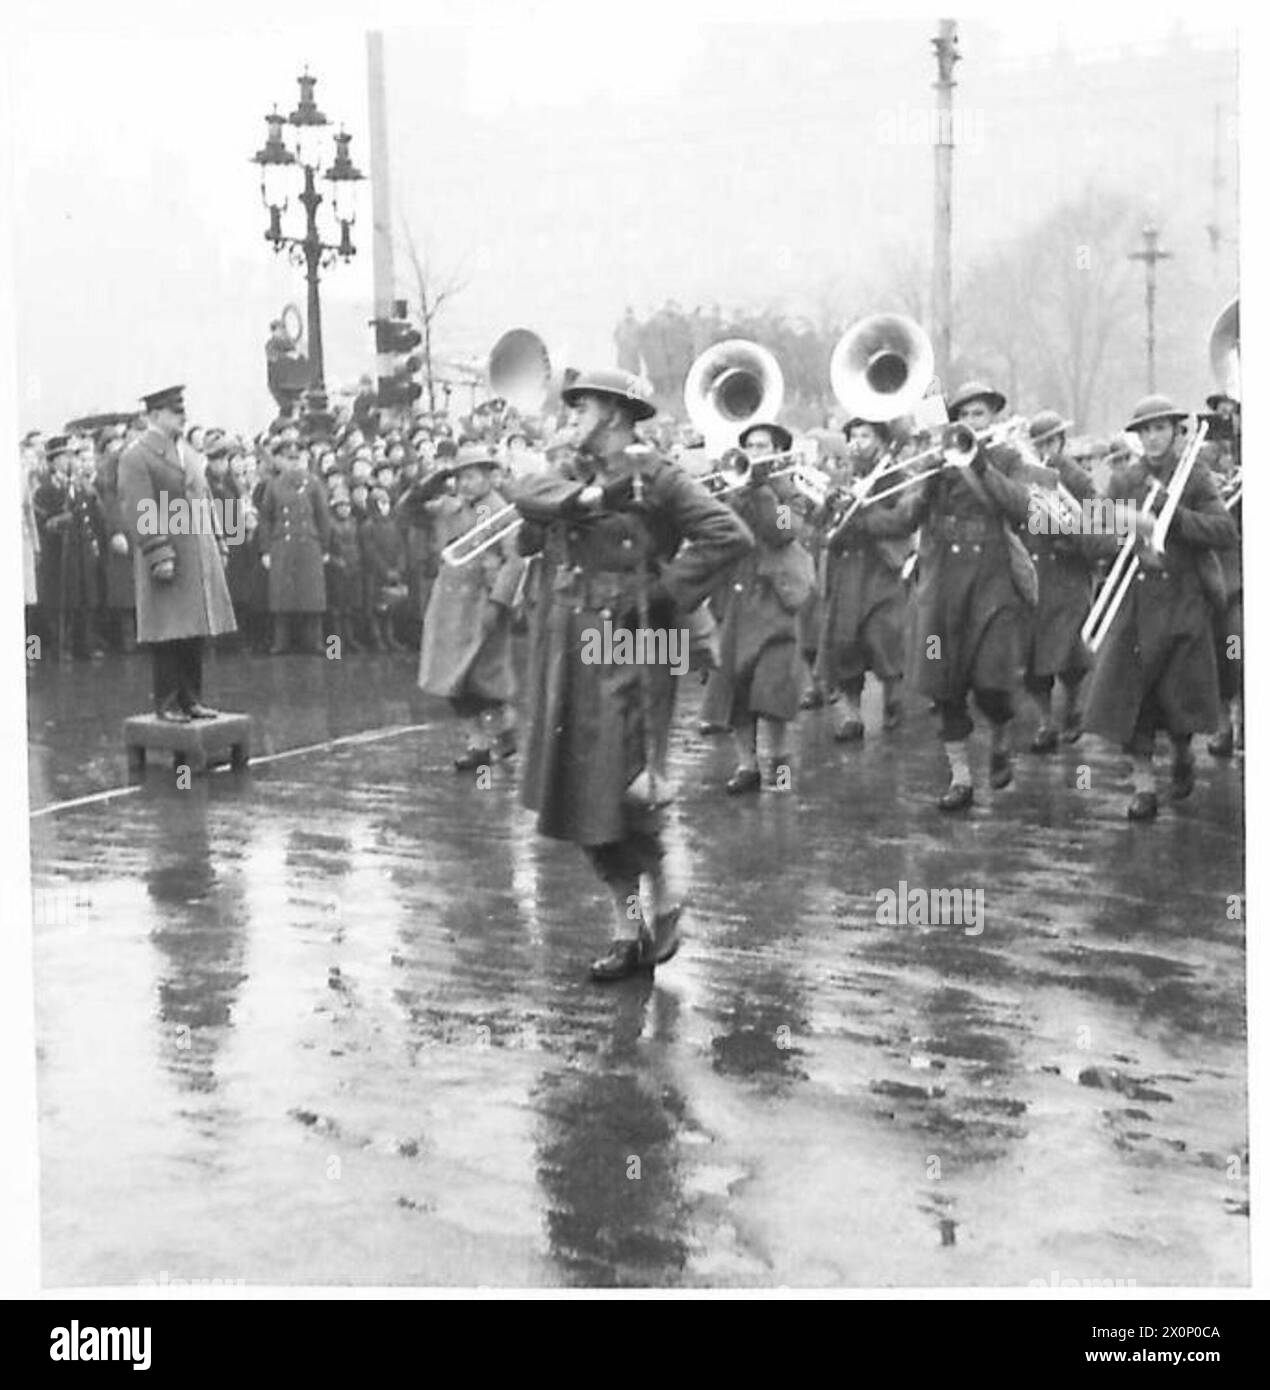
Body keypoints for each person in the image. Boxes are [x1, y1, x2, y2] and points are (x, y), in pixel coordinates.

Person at [509, 368, 752, 982]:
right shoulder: (573, 471)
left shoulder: (660, 476)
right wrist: (584, 499)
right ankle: (626, 929)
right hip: (571, 639)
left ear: (615, 412)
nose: (574, 414)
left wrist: (664, 591)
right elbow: (524, 511)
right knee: (581, 789)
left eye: (583, 405)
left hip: (637, 641)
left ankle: (668, 876)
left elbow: (730, 534)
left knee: (625, 780)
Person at [1083, 395, 1238, 820]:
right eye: (1146, 431)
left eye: (1161, 429)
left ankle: (1184, 752)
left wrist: (1172, 519)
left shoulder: (1195, 476)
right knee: (1133, 695)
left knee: (1179, 697)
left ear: (1175, 432)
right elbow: (1097, 537)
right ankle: (1144, 787)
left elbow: (1225, 531)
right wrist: (1120, 530)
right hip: (1136, 600)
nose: (1153, 438)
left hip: (1184, 599)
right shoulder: (1123, 481)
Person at [885, 381, 1033, 810]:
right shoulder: (935, 462)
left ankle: (1003, 732)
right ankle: (961, 779)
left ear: (994, 418)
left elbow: (1025, 508)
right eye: (964, 414)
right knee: (942, 686)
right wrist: (930, 475)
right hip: (940, 591)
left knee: (991, 681)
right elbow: (905, 518)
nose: (972, 421)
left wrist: (980, 465)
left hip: (991, 587)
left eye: (980, 414)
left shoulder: (1008, 457)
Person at [701, 422, 814, 793]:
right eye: (749, 445)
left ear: (778, 450)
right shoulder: (733, 489)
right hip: (736, 597)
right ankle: (747, 765)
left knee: (773, 689)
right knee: (735, 684)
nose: (754, 451)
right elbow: (716, 528)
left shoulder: (791, 495)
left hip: (774, 599)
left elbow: (782, 531)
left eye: (762, 445)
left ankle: (780, 772)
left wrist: (763, 489)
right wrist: (733, 491)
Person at [117, 385, 237, 720]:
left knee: (194, 628)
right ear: (154, 416)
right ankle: (168, 701)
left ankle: (191, 698)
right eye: (174, 411)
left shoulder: (188, 453)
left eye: (182, 410)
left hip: (197, 552)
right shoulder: (137, 455)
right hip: (169, 552)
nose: (181, 416)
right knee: (168, 629)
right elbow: (139, 506)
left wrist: (221, 540)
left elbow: (206, 498)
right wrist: (158, 553)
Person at [405, 443, 524, 764]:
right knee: (451, 681)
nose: (465, 484)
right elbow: (410, 509)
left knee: (481, 681)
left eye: (471, 477)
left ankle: (504, 725)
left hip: (482, 605)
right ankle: (478, 743)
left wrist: (498, 604)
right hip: (448, 607)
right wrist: (435, 477)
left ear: (488, 477)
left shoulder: (503, 514)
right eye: (460, 478)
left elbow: (515, 562)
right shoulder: (449, 507)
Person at [814, 417, 912, 742]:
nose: (857, 441)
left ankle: (894, 697)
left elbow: (904, 521)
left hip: (880, 569)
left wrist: (865, 516)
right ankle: (852, 714)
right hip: (846, 570)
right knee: (845, 642)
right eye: (853, 435)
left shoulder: (896, 477)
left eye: (866, 435)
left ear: (882, 441)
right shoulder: (841, 476)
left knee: (882, 636)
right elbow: (818, 525)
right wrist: (830, 506)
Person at [1019, 410, 1098, 752]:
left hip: (1067, 577)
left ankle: (1075, 710)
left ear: (1062, 442)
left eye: (1051, 441)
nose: (1045, 449)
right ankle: (1044, 723)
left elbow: (1101, 523)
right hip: (1035, 577)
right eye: (1039, 444)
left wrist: (1073, 537)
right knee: (1035, 658)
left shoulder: (1076, 477)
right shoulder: (1024, 476)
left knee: (1068, 653)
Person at [259, 431, 330, 654]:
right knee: (282, 597)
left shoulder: (314, 483)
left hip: (308, 544)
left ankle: (317, 642)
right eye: (289, 459)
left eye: (297, 458)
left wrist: (325, 547)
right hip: (283, 544)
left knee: (312, 597)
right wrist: (266, 550)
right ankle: (281, 642)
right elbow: (265, 518)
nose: (294, 463)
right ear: (281, 461)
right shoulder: (273, 486)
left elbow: (323, 516)